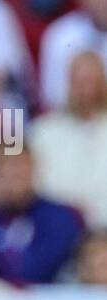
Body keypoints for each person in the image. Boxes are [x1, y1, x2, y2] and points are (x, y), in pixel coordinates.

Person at [0, 145, 85, 286]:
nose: (14, 173)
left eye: (21, 165)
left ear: (34, 169)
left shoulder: (60, 218)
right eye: (6, 165)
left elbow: (42, 269)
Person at [29, 51, 107, 229]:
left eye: (92, 81)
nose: (86, 90)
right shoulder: (43, 130)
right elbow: (36, 185)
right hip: (58, 227)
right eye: (80, 82)